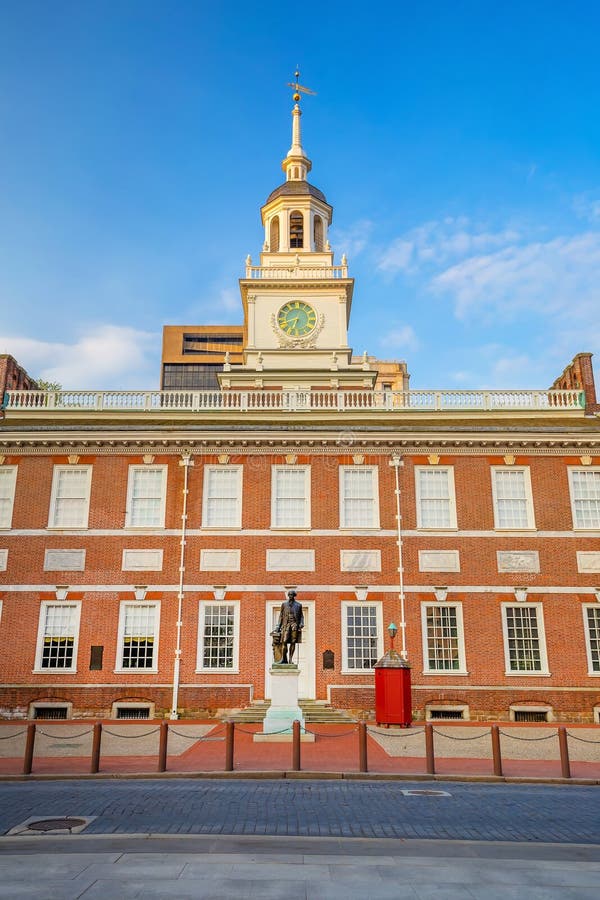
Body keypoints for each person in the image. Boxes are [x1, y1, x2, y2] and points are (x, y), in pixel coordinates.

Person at [274, 590, 304, 664]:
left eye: (291, 595)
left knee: (293, 642)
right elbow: (281, 616)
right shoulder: (284, 604)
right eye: (289, 595)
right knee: (284, 641)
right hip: (286, 625)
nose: (290, 596)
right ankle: (283, 659)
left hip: (294, 625)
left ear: (294, 596)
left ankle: (290, 660)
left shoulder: (298, 605)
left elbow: (301, 616)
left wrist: (301, 623)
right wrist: (278, 626)